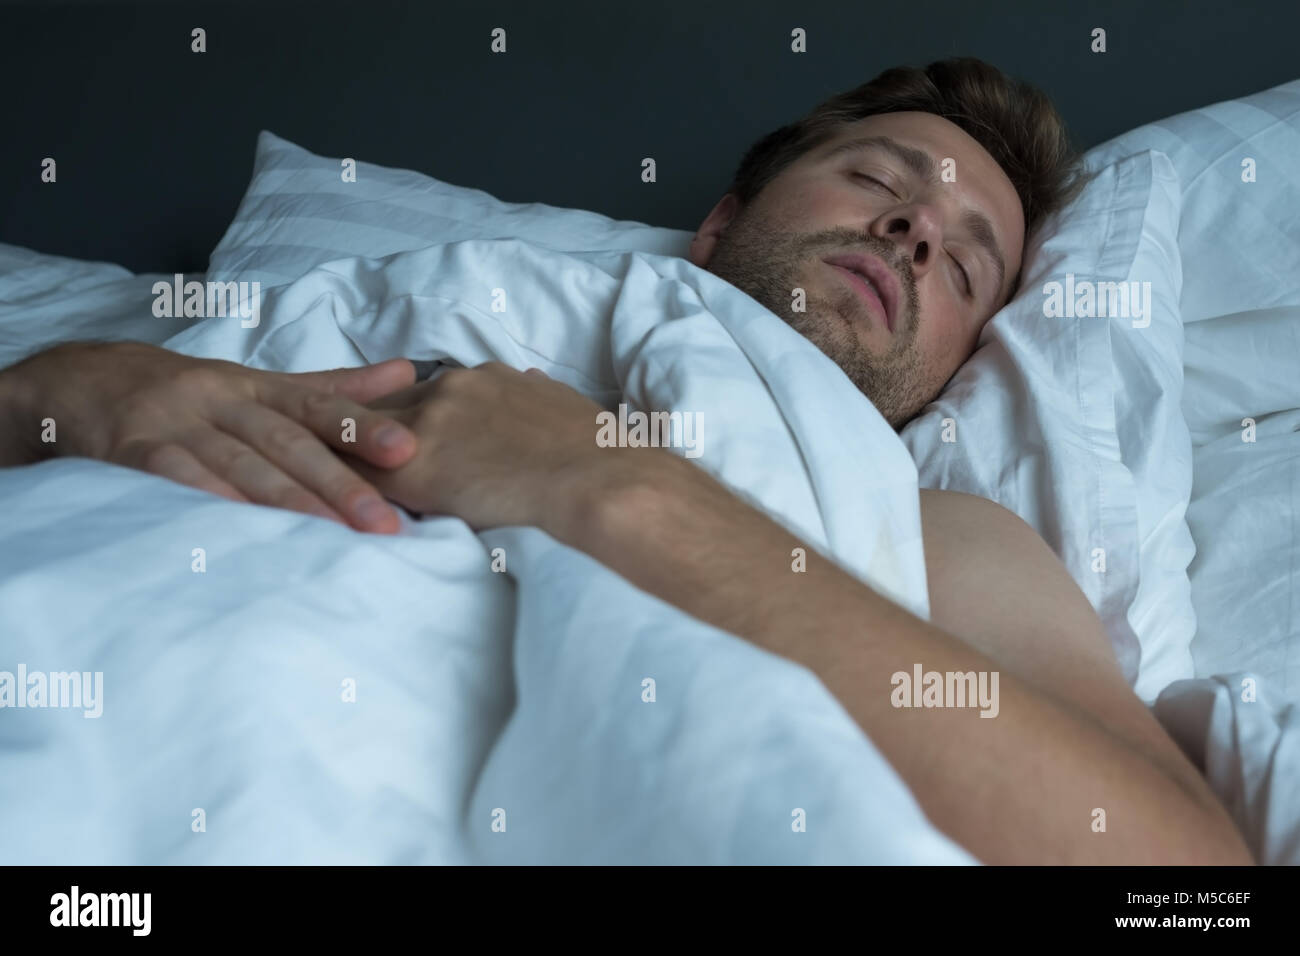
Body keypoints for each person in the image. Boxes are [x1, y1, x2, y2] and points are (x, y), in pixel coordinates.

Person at [0, 58, 1254, 864]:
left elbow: (1173, 880)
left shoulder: (942, 540)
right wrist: (53, 395)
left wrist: (607, 484)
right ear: (719, 224)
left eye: (967, 262)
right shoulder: (352, 316)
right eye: (878, 177)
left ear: (951, 368)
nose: (916, 227)